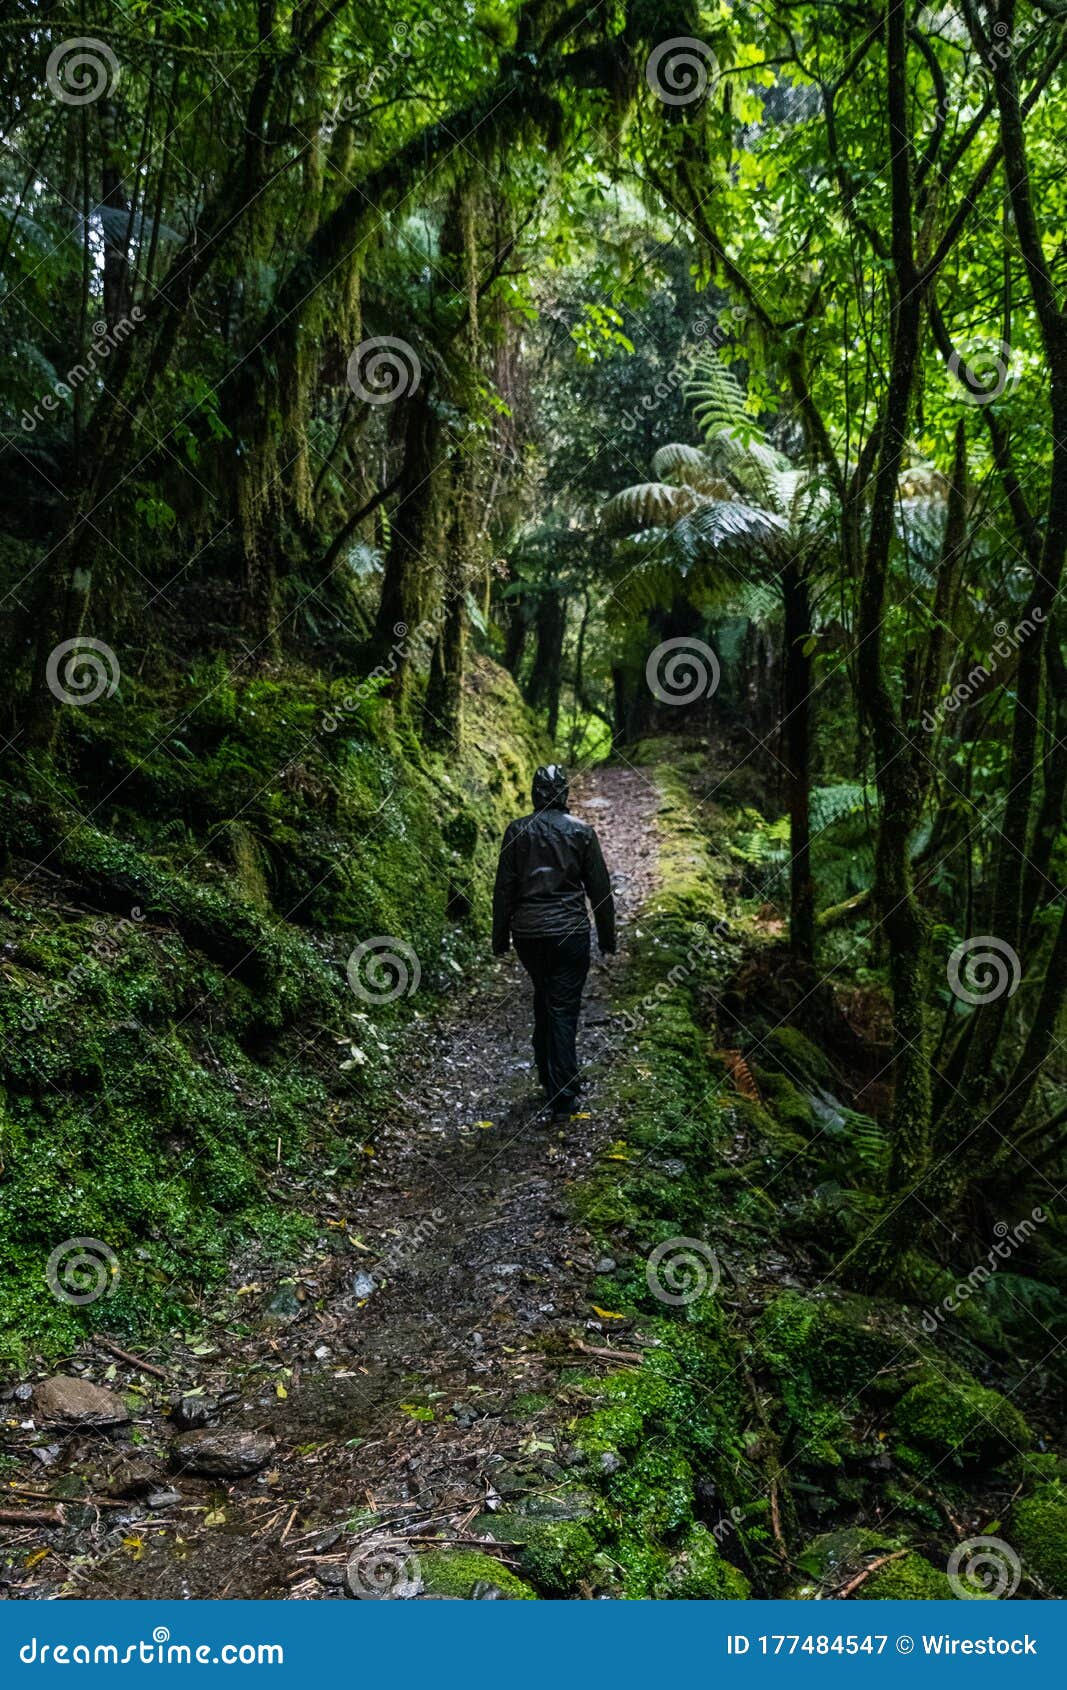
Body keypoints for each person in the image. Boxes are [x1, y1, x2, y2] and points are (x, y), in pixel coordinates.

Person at [492, 764, 615, 1121]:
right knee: (562, 1006)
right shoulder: (582, 833)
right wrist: (607, 938)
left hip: (529, 935)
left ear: (534, 793)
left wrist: (500, 937)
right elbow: (600, 891)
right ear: (564, 792)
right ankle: (563, 1092)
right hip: (569, 933)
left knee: (546, 997)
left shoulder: (517, 831)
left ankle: (550, 1075)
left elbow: (505, 890)